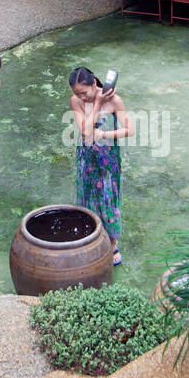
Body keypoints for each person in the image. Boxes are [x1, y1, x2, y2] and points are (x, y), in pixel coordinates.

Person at [69, 65, 134, 265]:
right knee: (87, 197)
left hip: (108, 158)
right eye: (77, 94)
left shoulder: (114, 100)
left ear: (94, 83)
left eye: (84, 92)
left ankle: (112, 244)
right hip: (86, 156)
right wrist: (96, 103)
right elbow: (86, 131)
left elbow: (130, 130)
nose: (81, 97)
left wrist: (105, 134)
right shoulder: (77, 102)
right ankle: (92, 237)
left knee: (108, 199)